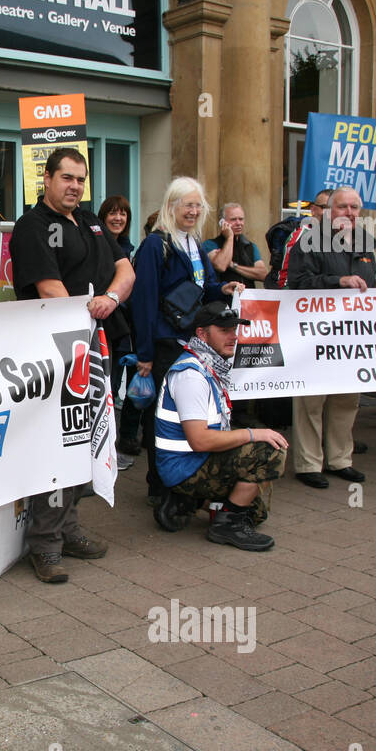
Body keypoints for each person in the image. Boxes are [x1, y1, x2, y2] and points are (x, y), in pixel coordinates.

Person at [9, 147, 134, 583]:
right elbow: (50, 291)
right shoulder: (32, 227)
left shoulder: (93, 223)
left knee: (88, 439)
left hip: (99, 346)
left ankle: (70, 526)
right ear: (46, 179)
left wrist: (111, 299)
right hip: (58, 352)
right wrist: (90, 312)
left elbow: (125, 270)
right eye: (66, 178)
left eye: (80, 179)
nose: (75, 186)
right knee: (56, 442)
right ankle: (44, 545)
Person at [131, 176, 244, 504]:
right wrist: (145, 353)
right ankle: (160, 487)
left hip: (194, 345)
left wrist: (224, 288)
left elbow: (207, 287)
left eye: (198, 205)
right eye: (187, 205)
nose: (194, 211)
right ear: (171, 207)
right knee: (162, 418)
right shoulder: (157, 244)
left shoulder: (194, 243)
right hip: (166, 344)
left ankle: (183, 480)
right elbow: (144, 300)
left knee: (188, 415)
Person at [152, 303, 289, 550]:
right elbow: (200, 441)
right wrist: (252, 434)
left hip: (197, 460)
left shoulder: (208, 364)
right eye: (224, 330)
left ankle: (188, 502)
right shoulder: (191, 375)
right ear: (202, 334)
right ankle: (225, 526)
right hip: (184, 467)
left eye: (234, 330)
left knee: (256, 514)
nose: (233, 336)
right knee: (269, 452)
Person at [286, 186, 376, 488]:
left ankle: (340, 459)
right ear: (329, 211)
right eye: (343, 207)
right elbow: (298, 284)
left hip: (353, 338)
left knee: (346, 401)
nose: (350, 213)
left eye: (355, 208)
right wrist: (337, 281)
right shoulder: (309, 241)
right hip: (315, 336)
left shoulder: (367, 243)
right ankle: (308, 464)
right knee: (310, 402)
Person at [99, 195, 140, 458]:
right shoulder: (98, 245)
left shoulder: (129, 248)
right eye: (113, 213)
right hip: (106, 327)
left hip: (126, 329)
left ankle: (117, 443)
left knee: (117, 389)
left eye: (123, 214)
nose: (118, 218)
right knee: (106, 390)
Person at [266, 191, 330, 289]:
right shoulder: (301, 236)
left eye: (334, 208)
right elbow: (286, 278)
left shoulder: (344, 237)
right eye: (325, 208)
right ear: (313, 210)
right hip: (302, 300)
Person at [204, 202, 268, 291]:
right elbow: (221, 266)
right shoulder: (210, 244)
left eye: (241, 219)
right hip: (223, 300)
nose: (238, 223)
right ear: (222, 222)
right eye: (233, 219)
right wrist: (230, 237)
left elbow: (263, 274)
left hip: (247, 301)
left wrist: (233, 265)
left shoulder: (250, 246)